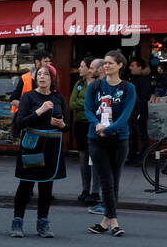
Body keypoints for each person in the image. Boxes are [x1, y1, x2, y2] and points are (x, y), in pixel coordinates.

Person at [10, 64, 68, 237]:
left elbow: (67, 126)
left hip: (51, 145)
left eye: (46, 74)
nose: (42, 77)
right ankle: (17, 221)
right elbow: (20, 122)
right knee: (25, 184)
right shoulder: (28, 97)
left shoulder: (59, 98)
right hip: (31, 143)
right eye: (39, 74)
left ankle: (43, 222)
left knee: (46, 186)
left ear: (52, 78)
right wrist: (39, 111)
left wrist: (62, 124)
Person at [85, 49, 136, 237]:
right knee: (106, 179)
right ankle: (114, 222)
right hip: (96, 139)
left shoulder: (128, 88)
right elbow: (88, 108)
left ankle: (105, 221)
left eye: (110, 63)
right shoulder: (95, 86)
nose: (106, 66)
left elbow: (125, 115)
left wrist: (109, 129)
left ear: (120, 66)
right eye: (105, 63)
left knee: (115, 180)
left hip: (119, 139)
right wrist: (97, 125)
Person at [70, 56, 103, 208]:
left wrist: (85, 105)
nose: (80, 69)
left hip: (95, 125)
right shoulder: (79, 84)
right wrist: (87, 105)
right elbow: (71, 103)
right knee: (83, 158)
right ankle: (85, 189)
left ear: (92, 68)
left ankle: (95, 191)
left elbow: (97, 104)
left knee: (95, 159)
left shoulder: (99, 84)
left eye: (83, 66)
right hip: (80, 124)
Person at [127, 56, 153, 164]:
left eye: (133, 66)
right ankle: (131, 156)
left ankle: (143, 157)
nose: (130, 68)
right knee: (131, 134)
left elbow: (145, 97)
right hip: (132, 111)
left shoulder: (144, 79)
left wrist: (137, 108)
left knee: (141, 135)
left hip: (139, 112)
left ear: (140, 67)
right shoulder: (132, 78)